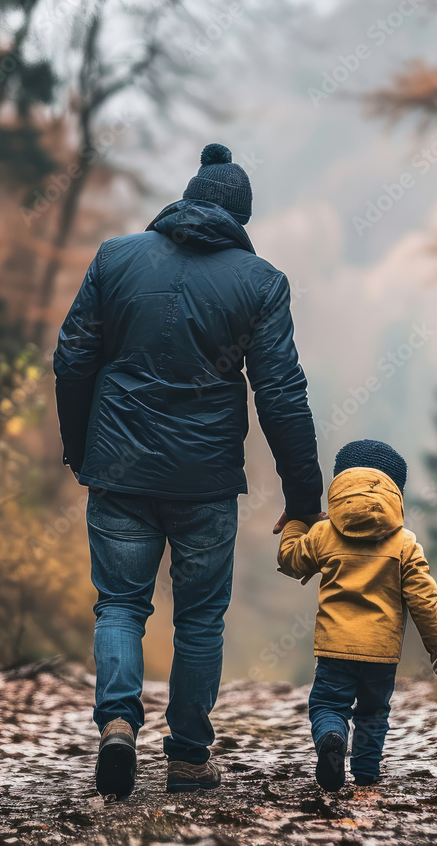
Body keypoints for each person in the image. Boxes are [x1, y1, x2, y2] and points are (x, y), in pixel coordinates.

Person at [54, 143, 323, 799]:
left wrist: (80, 447)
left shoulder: (116, 258)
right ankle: (188, 758)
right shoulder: (259, 283)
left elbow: (71, 360)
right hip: (204, 482)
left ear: (187, 198)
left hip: (117, 465)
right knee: (200, 620)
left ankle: (118, 723)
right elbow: (281, 394)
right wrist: (304, 495)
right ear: (241, 217)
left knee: (119, 603)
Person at [277, 439, 437, 791]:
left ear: (341, 482)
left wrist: (297, 521)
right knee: (373, 712)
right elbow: (423, 595)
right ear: (395, 492)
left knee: (328, 703)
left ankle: (331, 737)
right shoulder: (405, 543)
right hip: (381, 652)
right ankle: (367, 771)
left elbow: (291, 560)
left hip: (334, 648)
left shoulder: (324, 533)